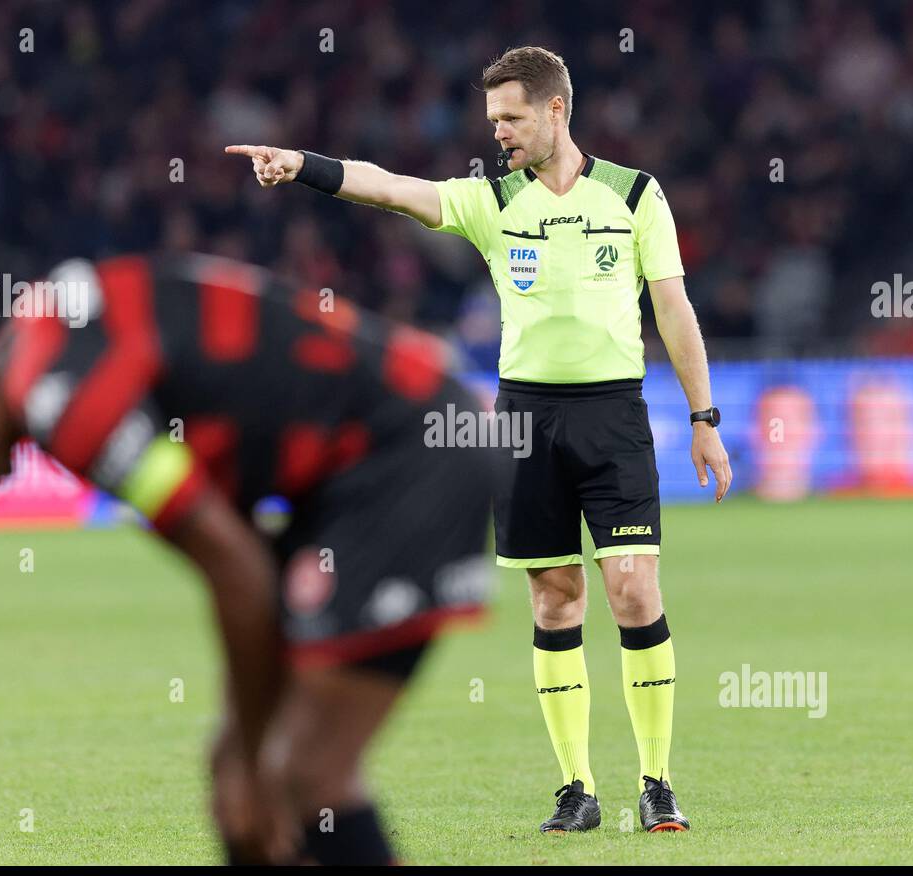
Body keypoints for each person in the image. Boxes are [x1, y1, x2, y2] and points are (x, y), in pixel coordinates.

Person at [0, 252, 494, 864]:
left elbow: (235, 569)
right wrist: (239, 746)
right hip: (363, 460)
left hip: (403, 457)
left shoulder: (65, 404)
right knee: (246, 778)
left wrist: (245, 747)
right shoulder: (43, 331)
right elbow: (243, 551)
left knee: (304, 775)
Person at [226, 46, 731, 834]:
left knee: (634, 587)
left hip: (614, 416)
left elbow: (673, 310)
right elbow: (392, 187)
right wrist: (303, 165)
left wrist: (705, 420)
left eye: (511, 118)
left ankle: (658, 782)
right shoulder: (490, 201)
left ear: (556, 110)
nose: (498, 132)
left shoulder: (635, 195)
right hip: (525, 419)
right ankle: (577, 790)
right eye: (492, 119)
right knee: (555, 597)